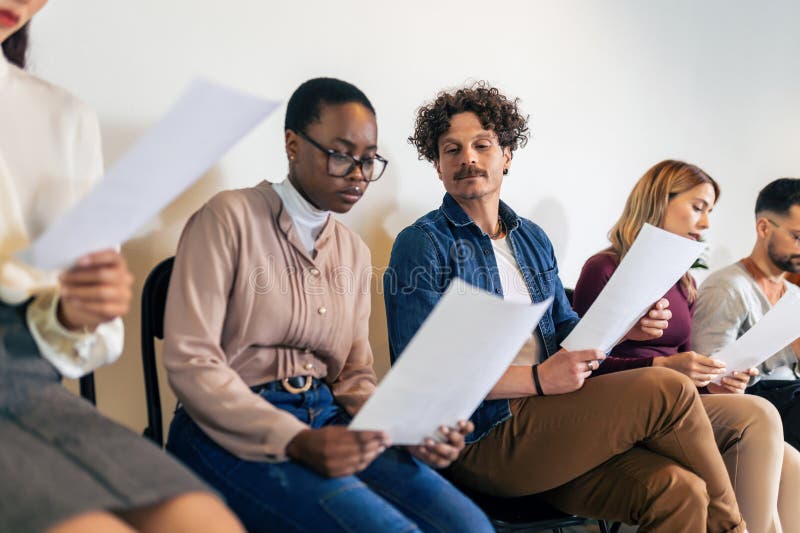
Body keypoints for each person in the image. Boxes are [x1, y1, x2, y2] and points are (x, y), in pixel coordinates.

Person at [384, 82, 746, 532]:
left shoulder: (532, 239)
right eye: (451, 149)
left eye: (482, 145)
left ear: (507, 155)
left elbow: (567, 330)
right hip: (481, 437)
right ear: (437, 166)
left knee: (680, 491)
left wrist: (626, 330)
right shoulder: (422, 243)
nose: (468, 158)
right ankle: (734, 527)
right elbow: (417, 375)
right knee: (668, 389)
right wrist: (537, 378)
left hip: (553, 429)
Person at [162, 77, 493, 533]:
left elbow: (353, 377)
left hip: (329, 418)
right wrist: (294, 439)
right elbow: (191, 363)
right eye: (342, 154)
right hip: (226, 430)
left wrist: (408, 432)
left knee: (470, 528)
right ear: (293, 145)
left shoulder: (352, 251)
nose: (359, 173)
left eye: (369, 159)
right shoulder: (228, 218)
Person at [0, 3, 244, 532]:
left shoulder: (60, 118)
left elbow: (77, 329)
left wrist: (75, 311)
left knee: (208, 523)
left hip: (28, 382)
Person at [573, 161, 800, 533]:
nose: (707, 223)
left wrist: (717, 382)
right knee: (760, 415)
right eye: (698, 207)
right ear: (660, 200)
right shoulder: (604, 268)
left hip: (682, 402)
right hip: (632, 406)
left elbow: (687, 365)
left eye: (710, 211)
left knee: (790, 461)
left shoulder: (684, 282)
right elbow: (581, 368)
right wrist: (666, 368)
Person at [693, 178, 800, 450]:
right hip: (754, 402)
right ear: (764, 227)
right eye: (797, 237)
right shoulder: (727, 287)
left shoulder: (793, 294)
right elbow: (710, 377)